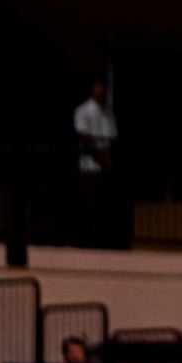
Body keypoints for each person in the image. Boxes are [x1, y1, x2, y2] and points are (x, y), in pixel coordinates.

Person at [73, 78, 117, 247]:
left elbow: (111, 138)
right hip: (89, 166)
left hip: (104, 166)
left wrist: (107, 158)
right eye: (99, 87)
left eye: (104, 88)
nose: (102, 91)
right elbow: (85, 136)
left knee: (103, 205)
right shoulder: (83, 110)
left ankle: (102, 239)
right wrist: (100, 157)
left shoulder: (107, 113)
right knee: (89, 204)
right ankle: (88, 240)